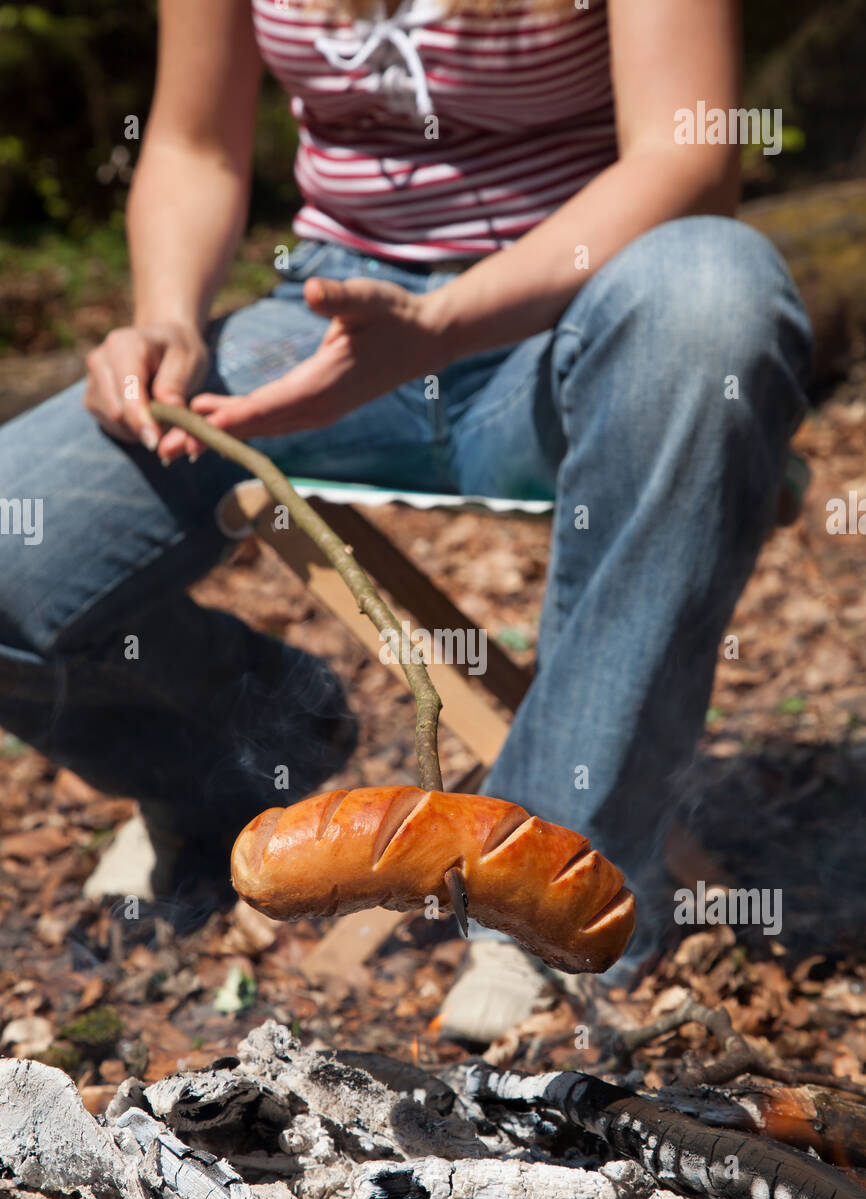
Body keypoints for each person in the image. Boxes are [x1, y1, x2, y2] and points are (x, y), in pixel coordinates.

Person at [0, 0, 812, 1041]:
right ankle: (244, 753)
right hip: (324, 330)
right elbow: (195, 145)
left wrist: (441, 325)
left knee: (713, 294)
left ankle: (549, 889)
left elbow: (687, 154)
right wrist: (164, 316)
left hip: (585, 324)